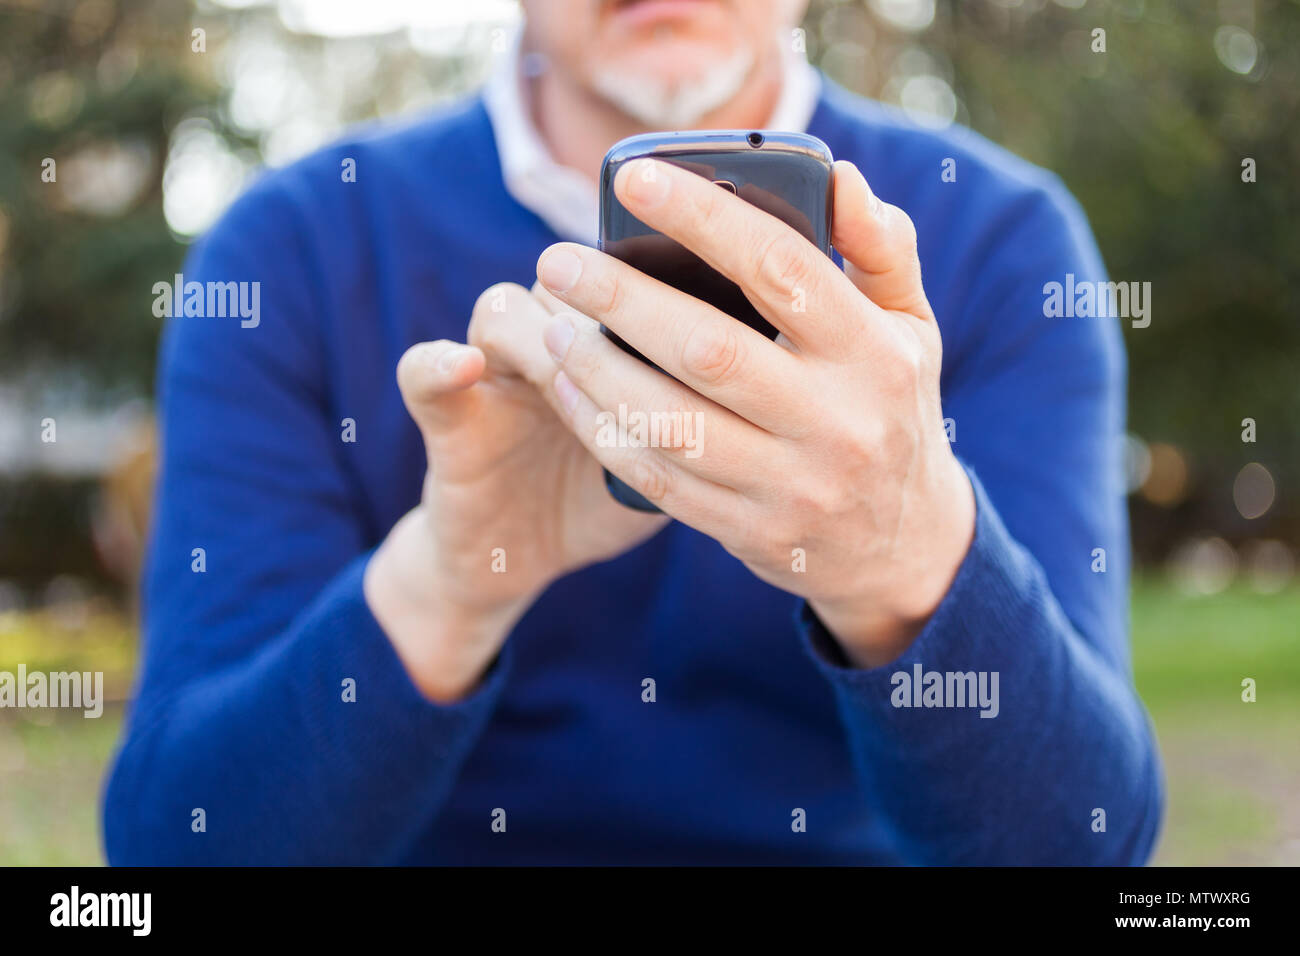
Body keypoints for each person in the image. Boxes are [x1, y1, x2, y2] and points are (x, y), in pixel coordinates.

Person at [104, 0, 1163, 864]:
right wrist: (455, 572)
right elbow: (178, 844)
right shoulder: (288, 248)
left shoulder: (1001, 239)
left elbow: (1078, 841)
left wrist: (904, 559)